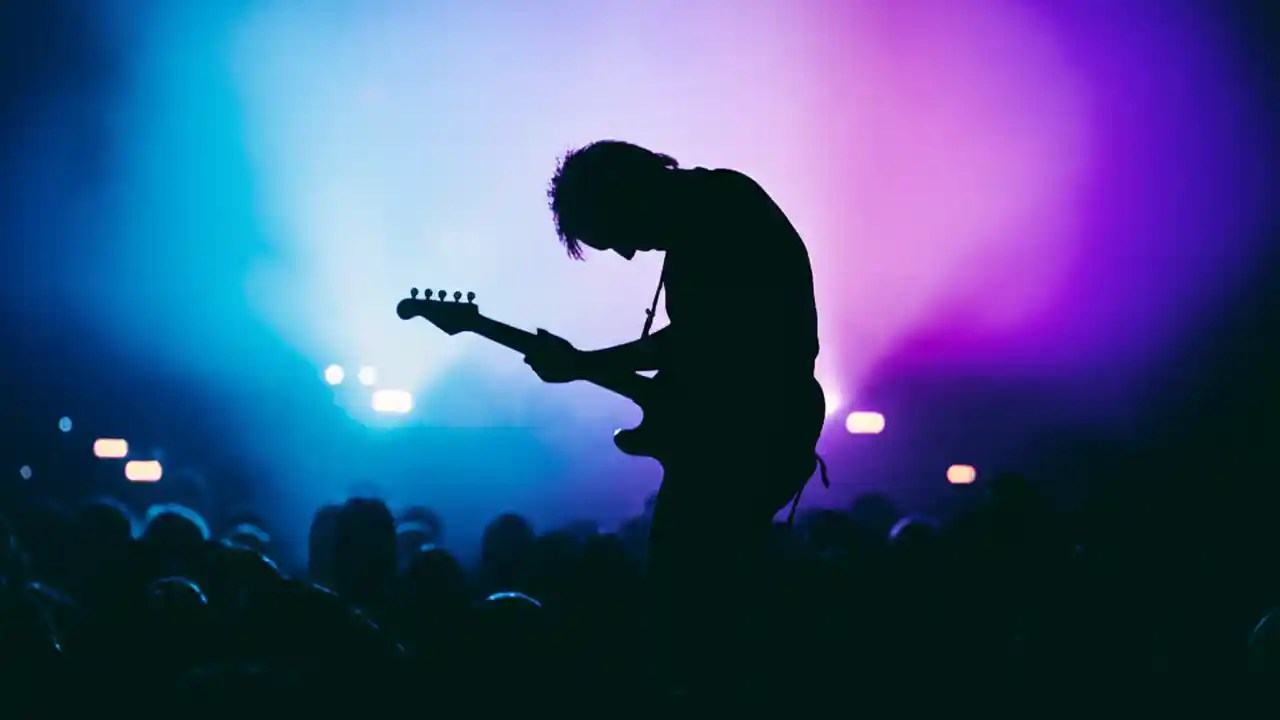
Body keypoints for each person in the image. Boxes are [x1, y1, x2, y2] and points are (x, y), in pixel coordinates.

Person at [525, 140, 827, 694]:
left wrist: (584, 363)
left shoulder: (722, 209)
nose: (625, 253)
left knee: (694, 604)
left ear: (626, 193)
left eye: (613, 233)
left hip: (747, 440)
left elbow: (703, 338)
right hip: (746, 435)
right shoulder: (705, 216)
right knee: (702, 597)